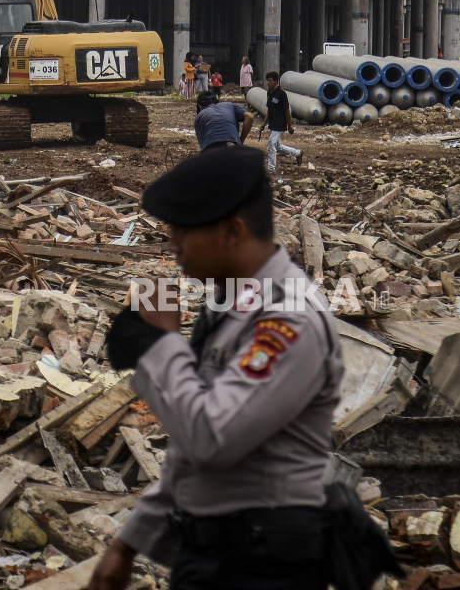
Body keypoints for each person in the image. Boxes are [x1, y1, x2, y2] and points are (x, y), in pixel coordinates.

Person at [90, 147, 395, 590]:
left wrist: (162, 346)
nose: (173, 246)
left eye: (183, 232)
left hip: (263, 562)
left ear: (232, 231)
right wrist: (128, 543)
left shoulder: (288, 318)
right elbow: (190, 455)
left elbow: (213, 439)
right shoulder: (232, 305)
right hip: (215, 553)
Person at [259, 71, 303, 171]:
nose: (268, 82)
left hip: (280, 124)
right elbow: (269, 110)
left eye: (270, 80)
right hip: (273, 123)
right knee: (277, 146)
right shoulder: (269, 93)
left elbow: (287, 110)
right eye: (267, 80)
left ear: (276, 81)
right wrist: (264, 123)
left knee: (271, 144)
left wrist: (289, 125)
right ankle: (297, 153)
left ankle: (271, 169)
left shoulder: (282, 94)